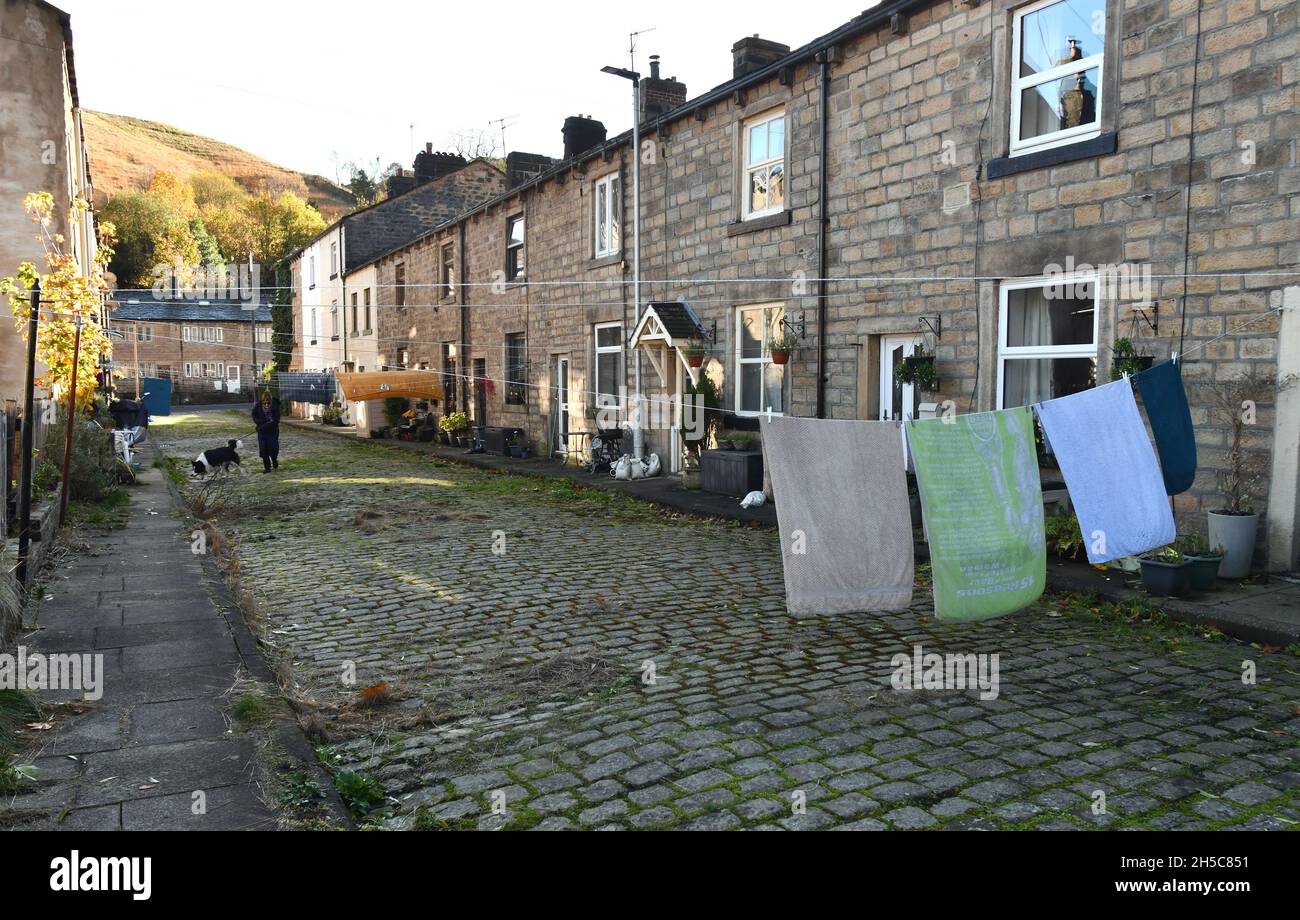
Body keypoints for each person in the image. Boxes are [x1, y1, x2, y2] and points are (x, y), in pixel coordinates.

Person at [252, 390, 281, 472]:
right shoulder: (258, 406)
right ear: (262, 402)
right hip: (262, 431)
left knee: (273, 449)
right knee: (264, 449)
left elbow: (276, 420)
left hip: (272, 431)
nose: (266, 405)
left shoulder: (275, 406)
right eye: (264, 403)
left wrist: (267, 424)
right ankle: (267, 468)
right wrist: (258, 422)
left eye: (268, 403)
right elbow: (254, 415)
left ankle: (274, 460)